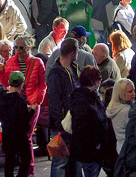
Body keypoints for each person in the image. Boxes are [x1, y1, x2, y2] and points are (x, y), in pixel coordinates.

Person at [71, 66, 115, 177]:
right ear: (92, 81)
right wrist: (96, 143)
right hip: (90, 150)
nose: (100, 81)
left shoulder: (89, 96)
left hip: (92, 149)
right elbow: (84, 127)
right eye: (99, 78)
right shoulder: (84, 100)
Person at [46, 38, 79, 177]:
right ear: (73, 52)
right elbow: (54, 102)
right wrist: (60, 125)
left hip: (72, 123)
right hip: (62, 126)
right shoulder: (56, 73)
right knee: (60, 162)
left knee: (73, 161)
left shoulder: (72, 68)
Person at [0, 71, 34, 177]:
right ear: (22, 84)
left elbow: (0, 115)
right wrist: (32, 110)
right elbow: (24, 119)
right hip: (19, 135)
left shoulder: (3, 98)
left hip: (7, 133)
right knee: (26, 159)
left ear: (9, 82)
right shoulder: (20, 101)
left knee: (9, 160)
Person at [106, 78, 135, 154]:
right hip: (130, 150)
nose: (133, 94)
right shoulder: (127, 111)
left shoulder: (113, 108)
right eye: (130, 92)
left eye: (133, 90)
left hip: (120, 147)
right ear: (121, 93)